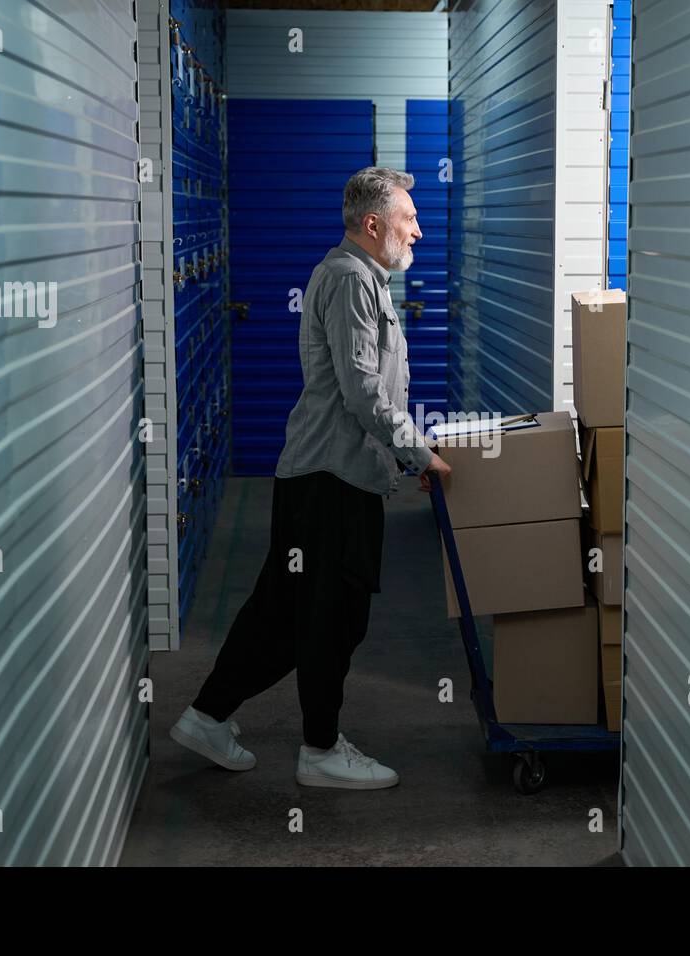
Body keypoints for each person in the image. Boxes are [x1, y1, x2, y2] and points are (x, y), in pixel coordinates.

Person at [169, 167, 451, 789]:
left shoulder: (358, 278)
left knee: (283, 613)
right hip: (330, 483)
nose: (419, 232)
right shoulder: (351, 280)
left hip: (326, 478)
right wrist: (418, 454)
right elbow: (363, 393)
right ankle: (320, 751)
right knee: (330, 620)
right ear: (373, 224)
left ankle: (207, 716)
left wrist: (405, 454)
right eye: (409, 221)